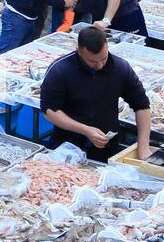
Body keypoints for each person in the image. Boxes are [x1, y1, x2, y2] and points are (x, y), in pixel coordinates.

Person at [40, 27, 152, 163]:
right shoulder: (60, 70)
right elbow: (49, 110)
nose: (99, 65)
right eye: (92, 61)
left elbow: (142, 106)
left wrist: (143, 146)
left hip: (107, 148)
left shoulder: (120, 68)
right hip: (67, 147)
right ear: (79, 51)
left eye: (103, 59)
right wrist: (85, 130)